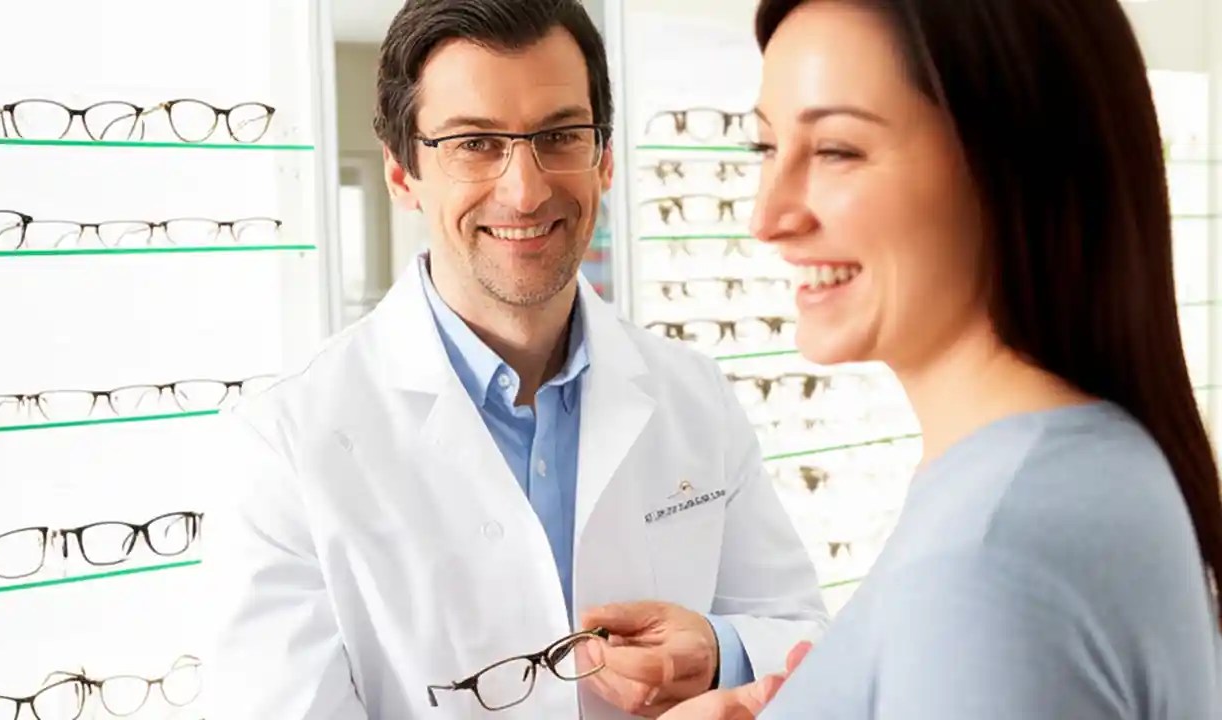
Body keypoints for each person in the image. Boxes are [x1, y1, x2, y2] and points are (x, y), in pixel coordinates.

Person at [204, 1, 829, 718]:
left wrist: (719, 652)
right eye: (475, 144)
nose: (526, 190)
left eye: (560, 135)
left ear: (605, 158)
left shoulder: (693, 394)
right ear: (403, 175)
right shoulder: (283, 443)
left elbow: (805, 638)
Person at [660, 0, 1222, 718]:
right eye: (766, 149)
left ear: (1011, 161)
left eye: (836, 150)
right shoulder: (1092, 462)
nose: (768, 217)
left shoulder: (989, 558)